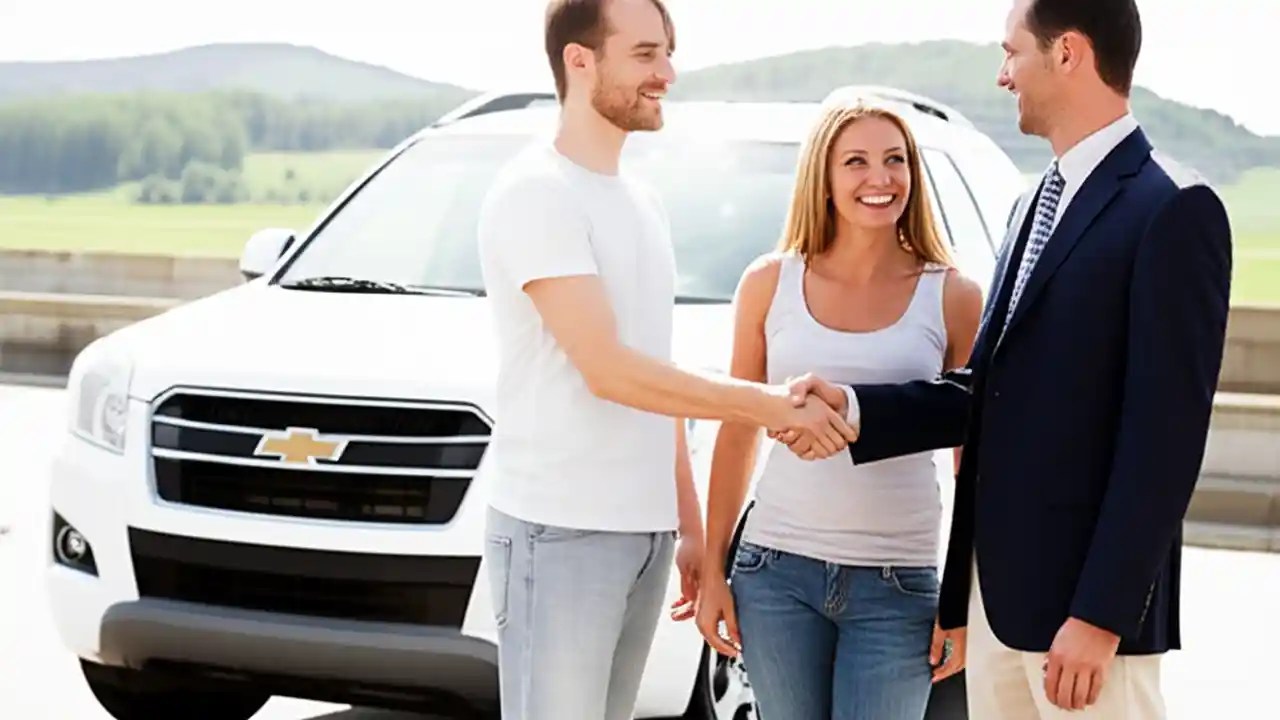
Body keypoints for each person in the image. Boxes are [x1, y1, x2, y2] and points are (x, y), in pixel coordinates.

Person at [779, 0, 1233, 718]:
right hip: (998, 612)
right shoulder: (1029, 208)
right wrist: (858, 407)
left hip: (1085, 633)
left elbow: (1165, 443)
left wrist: (1102, 616)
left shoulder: (1172, 212)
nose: (1002, 75)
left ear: (1068, 53)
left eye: (1011, 52)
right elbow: (984, 393)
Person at [474, 1, 857, 718]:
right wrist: (768, 403)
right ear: (579, 61)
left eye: (669, 52)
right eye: (646, 54)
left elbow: (657, 372)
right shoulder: (538, 192)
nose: (668, 73)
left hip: (641, 534)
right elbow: (610, 370)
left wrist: (685, 527)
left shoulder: (641, 200)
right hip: (560, 531)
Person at [693, 94, 984, 720]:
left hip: (898, 586)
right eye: (856, 161)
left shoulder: (953, 296)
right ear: (822, 178)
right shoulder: (768, 284)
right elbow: (738, 432)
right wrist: (716, 571)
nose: (880, 179)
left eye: (895, 159)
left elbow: (974, 465)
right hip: (774, 576)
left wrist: (961, 600)